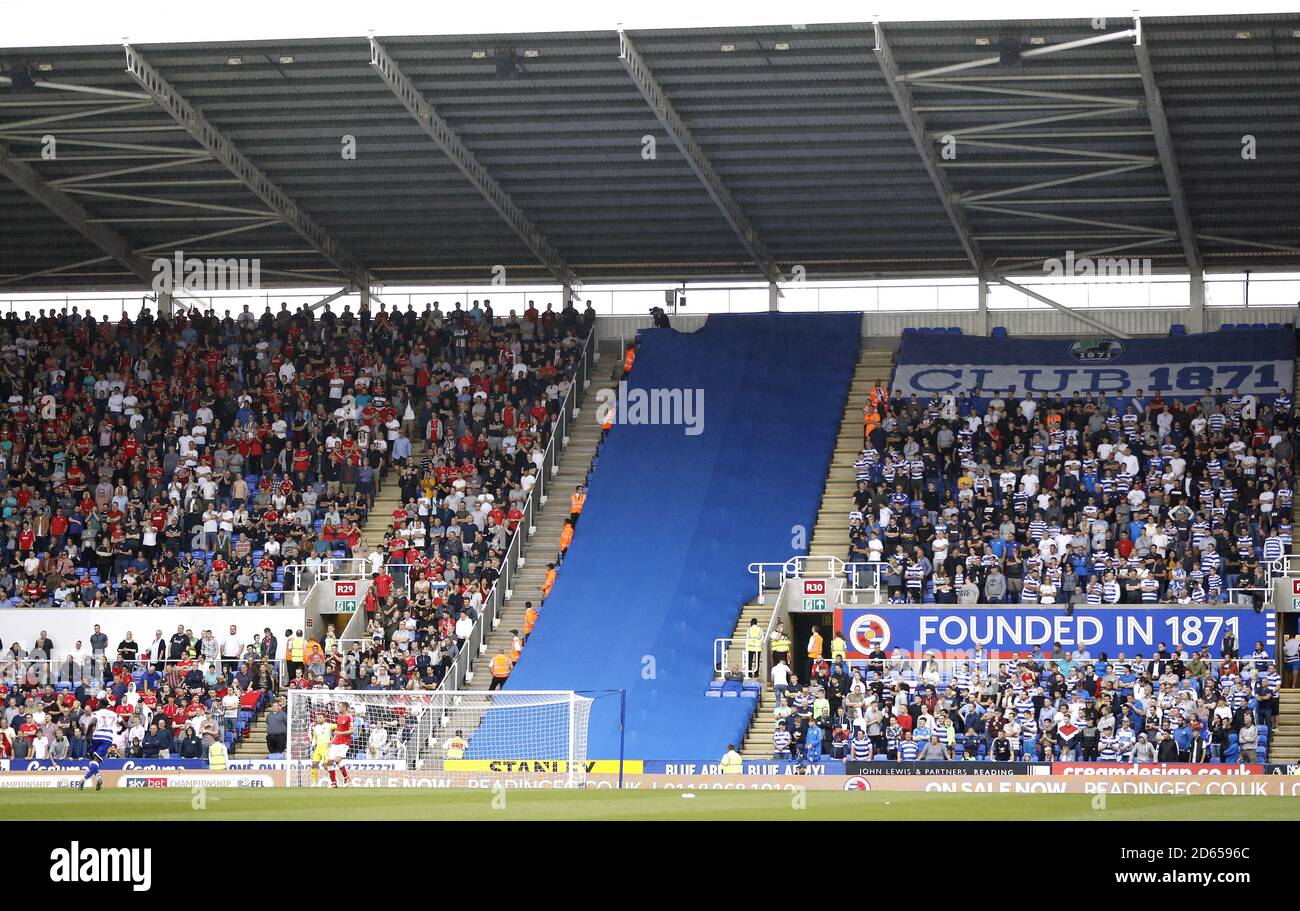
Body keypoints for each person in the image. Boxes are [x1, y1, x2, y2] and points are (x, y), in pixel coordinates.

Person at [327, 701, 353, 787]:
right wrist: (331, 741)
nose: (338, 708)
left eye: (340, 706)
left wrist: (340, 733)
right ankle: (333, 783)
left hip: (344, 742)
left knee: (337, 760)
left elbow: (352, 731)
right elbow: (337, 732)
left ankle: (346, 777)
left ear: (345, 708)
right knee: (329, 762)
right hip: (336, 741)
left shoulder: (349, 717)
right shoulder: (339, 718)